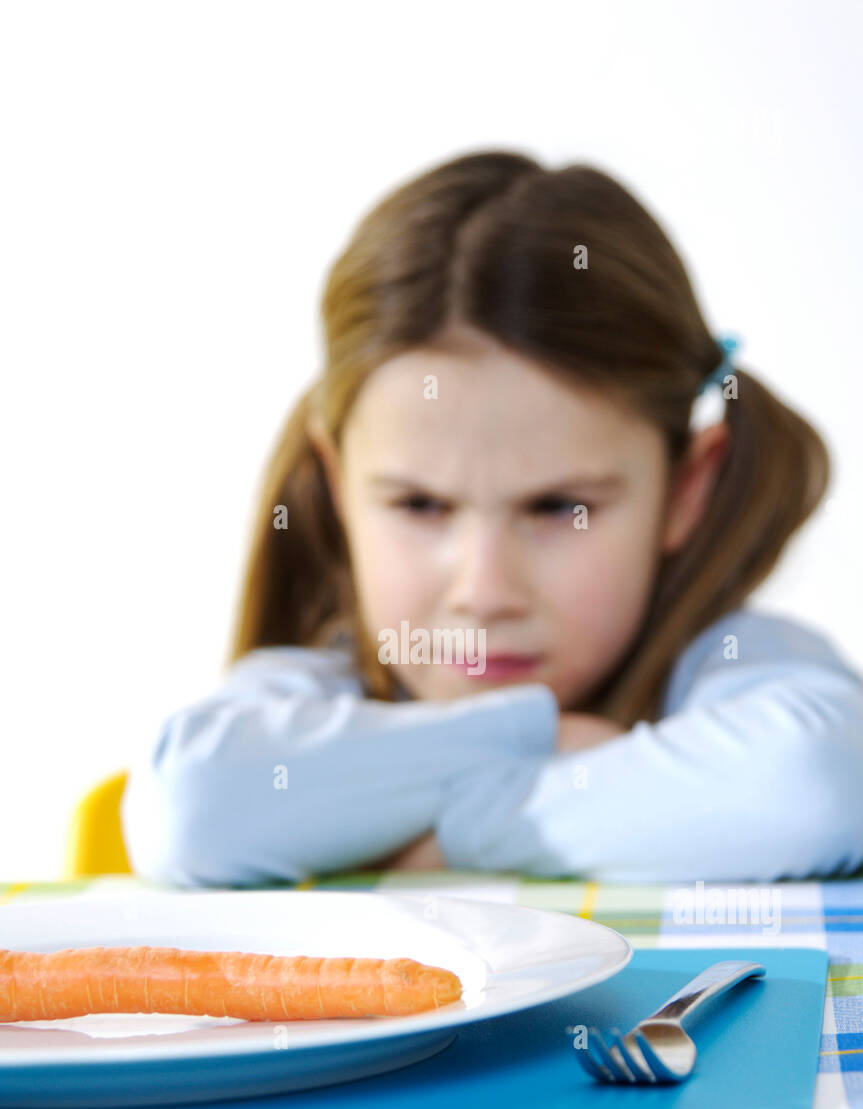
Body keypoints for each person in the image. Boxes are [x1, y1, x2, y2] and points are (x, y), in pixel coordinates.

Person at [121, 151, 863, 886]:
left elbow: (813, 783)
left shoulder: (733, 669)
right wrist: (538, 739)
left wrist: (437, 836)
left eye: (557, 507)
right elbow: (191, 808)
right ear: (338, 484)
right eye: (419, 505)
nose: (483, 590)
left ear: (685, 489)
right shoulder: (310, 697)